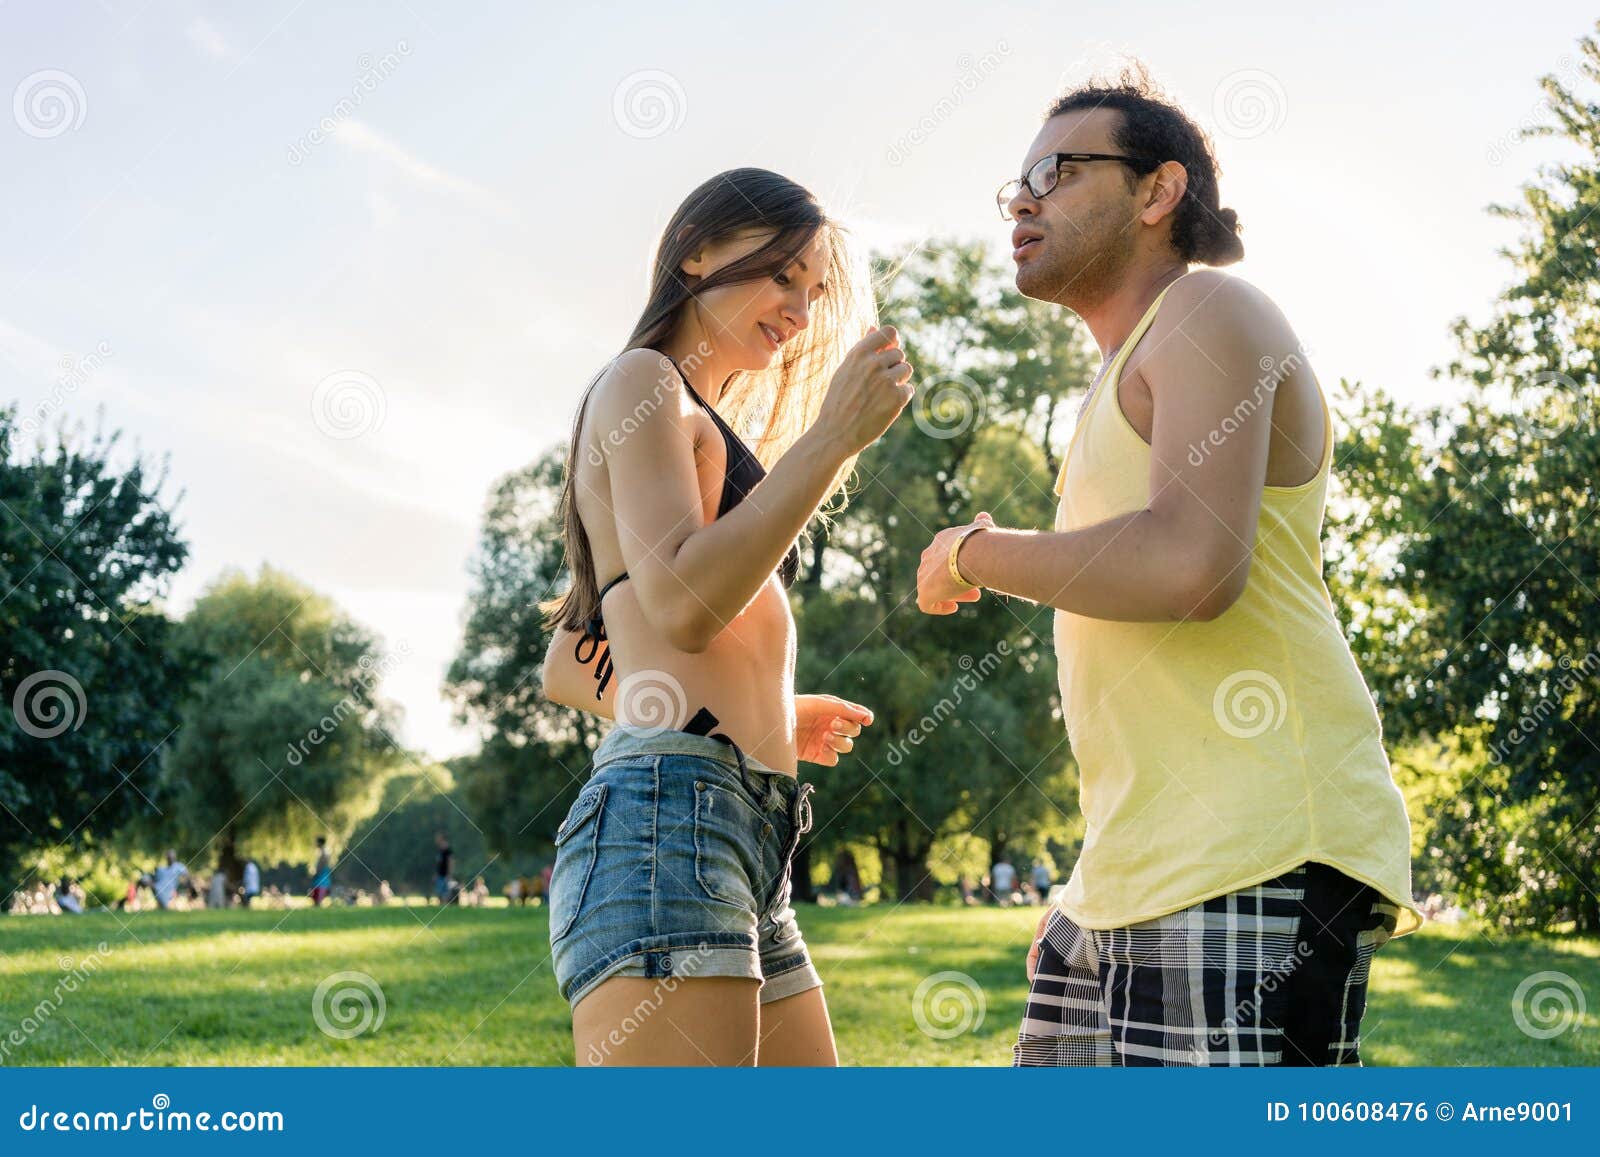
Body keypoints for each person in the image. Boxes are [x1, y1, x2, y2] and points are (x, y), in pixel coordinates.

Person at [914, 67, 1424, 1067]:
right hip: (1138, 869)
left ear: (1158, 191)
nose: (1023, 197)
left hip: (1254, 849)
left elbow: (1193, 564)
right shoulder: (1118, 374)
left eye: (1056, 170)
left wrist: (973, 553)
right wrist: (1095, 883)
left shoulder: (1206, 312)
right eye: (1015, 181)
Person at [538, 167, 911, 1066]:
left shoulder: (691, 421)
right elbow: (680, 604)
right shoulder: (641, 385)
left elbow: (574, 659)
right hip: (670, 821)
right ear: (696, 250)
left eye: (813, 291)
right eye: (783, 273)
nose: (799, 307)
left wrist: (773, 716)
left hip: (747, 834)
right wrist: (831, 439)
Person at [310, 837, 332, 906]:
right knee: (320, 886)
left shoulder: (324, 852)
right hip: (323, 873)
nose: (316, 844)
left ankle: (318, 902)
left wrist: (317, 871)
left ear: (320, 843)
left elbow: (322, 864)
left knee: (320, 886)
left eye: (317, 842)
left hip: (322, 873)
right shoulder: (324, 851)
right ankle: (317, 902)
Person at [433, 832, 452, 905]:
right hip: (439, 874)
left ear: (441, 838)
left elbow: (450, 862)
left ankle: (444, 905)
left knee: (444, 892)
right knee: (439, 892)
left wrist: (449, 873)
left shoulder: (447, 849)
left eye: (437, 837)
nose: (436, 839)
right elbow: (438, 864)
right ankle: (441, 905)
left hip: (445, 874)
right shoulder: (439, 849)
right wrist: (436, 874)